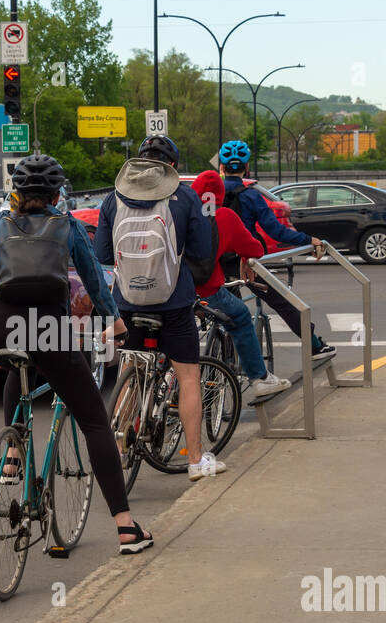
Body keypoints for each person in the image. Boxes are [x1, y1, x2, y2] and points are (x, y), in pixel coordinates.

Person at [0, 153, 157, 554]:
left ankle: (12, 453)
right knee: (94, 419)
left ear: (16, 193)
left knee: (17, 365)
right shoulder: (68, 225)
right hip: (46, 326)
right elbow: (93, 278)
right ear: (59, 193)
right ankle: (126, 528)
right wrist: (117, 321)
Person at [94, 135, 227, 482]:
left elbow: (103, 255)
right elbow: (200, 253)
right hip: (174, 302)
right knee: (188, 377)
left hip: (127, 301)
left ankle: (120, 447)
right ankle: (196, 460)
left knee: (131, 370)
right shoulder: (185, 197)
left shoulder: (113, 198)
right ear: (173, 166)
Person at [218, 140, 336, 359]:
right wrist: (309, 240)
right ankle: (314, 346)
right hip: (247, 263)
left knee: (212, 309)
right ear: (247, 168)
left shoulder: (210, 194)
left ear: (221, 168)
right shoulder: (252, 196)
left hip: (214, 263)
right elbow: (276, 232)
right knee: (285, 304)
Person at [190, 170, 292, 399]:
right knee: (241, 317)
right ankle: (260, 378)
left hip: (177, 292)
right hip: (209, 291)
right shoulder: (225, 216)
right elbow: (255, 248)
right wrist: (243, 256)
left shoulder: (182, 213)